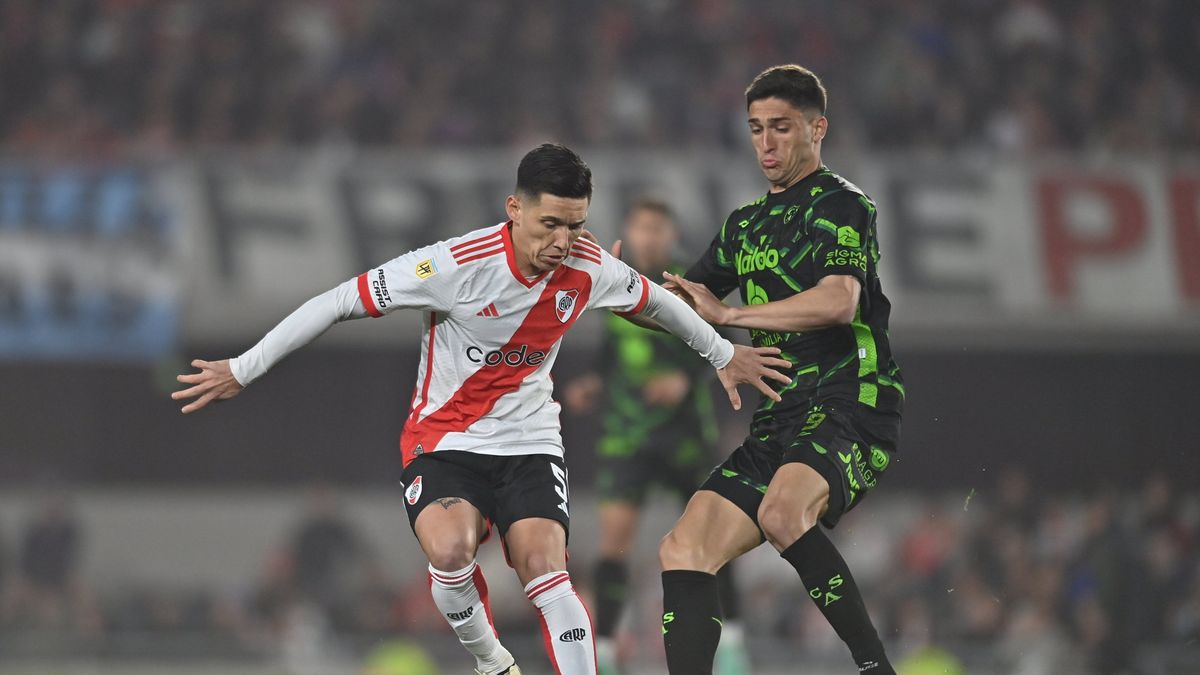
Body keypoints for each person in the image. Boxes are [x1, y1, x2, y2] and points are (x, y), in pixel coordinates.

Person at [172, 143, 791, 675]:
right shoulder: (453, 266)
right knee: (449, 552)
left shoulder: (586, 266)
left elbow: (656, 302)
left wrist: (721, 354)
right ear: (514, 208)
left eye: (575, 225)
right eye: (550, 223)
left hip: (529, 440)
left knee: (545, 563)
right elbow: (338, 300)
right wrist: (243, 367)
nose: (562, 241)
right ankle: (492, 659)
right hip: (443, 440)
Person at [655, 65, 906, 674]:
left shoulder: (843, 205)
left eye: (782, 128)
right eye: (756, 129)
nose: (766, 143)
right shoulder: (744, 226)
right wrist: (608, 285)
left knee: (780, 513)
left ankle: (875, 668)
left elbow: (839, 300)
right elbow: (679, 303)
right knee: (682, 548)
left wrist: (732, 314)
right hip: (782, 417)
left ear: (817, 129)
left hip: (853, 399)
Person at [563, 199, 749, 675]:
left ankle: (732, 645)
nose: (647, 237)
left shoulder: (691, 283)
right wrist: (596, 383)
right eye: (640, 228)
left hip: (685, 434)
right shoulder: (614, 280)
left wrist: (686, 380)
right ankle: (603, 651)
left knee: (711, 541)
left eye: (656, 229)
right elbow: (613, 349)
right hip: (626, 436)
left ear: (670, 234)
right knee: (614, 544)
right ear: (630, 229)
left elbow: (725, 345)